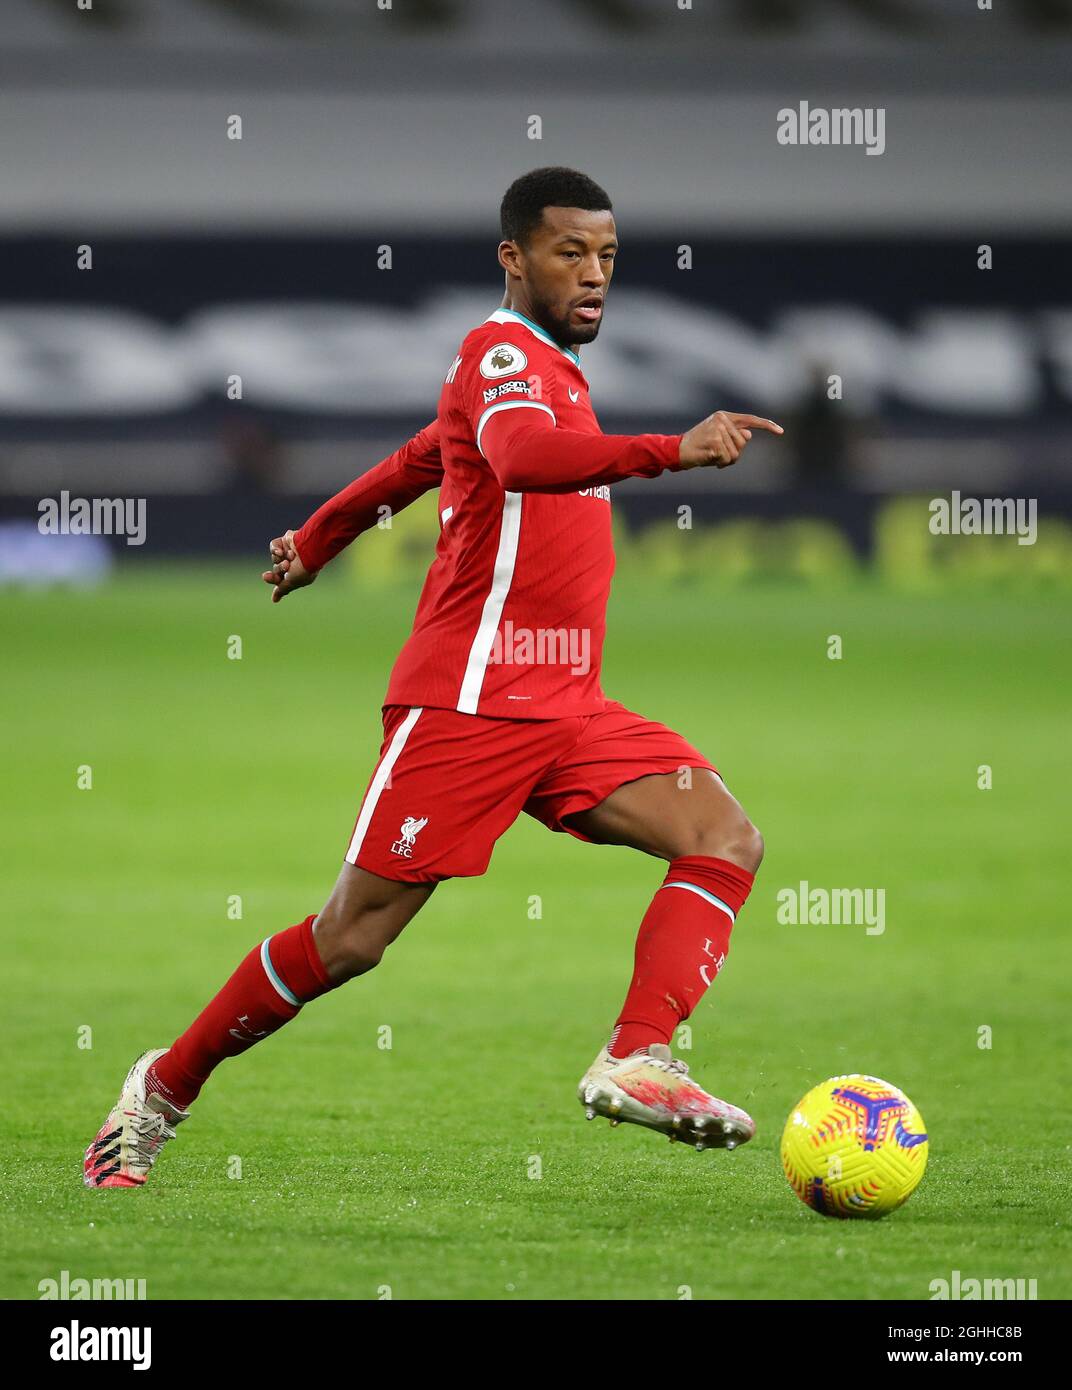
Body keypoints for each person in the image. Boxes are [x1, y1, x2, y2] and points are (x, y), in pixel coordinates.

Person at [85, 166, 783, 1188]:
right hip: (467, 703)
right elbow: (518, 455)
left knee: (724, 838)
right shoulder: (499, 352)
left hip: (566, 702)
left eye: (606, 257)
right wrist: (671, 450)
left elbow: (424, 456)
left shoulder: (547, 363)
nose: (593, 276)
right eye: (568, 254)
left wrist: (320, 537)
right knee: (351, 939)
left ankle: (637, 1055)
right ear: (513, 258)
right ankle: (163, 1086)